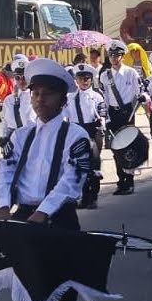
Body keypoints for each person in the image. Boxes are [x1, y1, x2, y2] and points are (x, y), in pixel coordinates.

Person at [0, 58, 97, 301]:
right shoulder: (21, 135)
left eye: (48, 93)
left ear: (63, 99)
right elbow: (5, 171)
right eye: (35, 93)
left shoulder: (76, 135)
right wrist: (2, 205)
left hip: (58, 217)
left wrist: (45, 212)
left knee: (60, 291)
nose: (40, 99)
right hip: (25, 216)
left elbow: (72, 180)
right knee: (28, 288)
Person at [100, 40, 145, 195]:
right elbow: (104, 98)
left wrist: (142, 99)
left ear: (123, 56)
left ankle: (130, 181)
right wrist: (106, 118)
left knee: (129, 148)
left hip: (128, 113)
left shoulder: (131, 73)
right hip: (113, 114)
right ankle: (121, 181)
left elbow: (140, 92)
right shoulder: (105, 76)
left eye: (117, 55)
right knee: (116, 149)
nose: (114, 58)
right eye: (111, 55)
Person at [65, 63, 107, 209]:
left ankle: (93, 196)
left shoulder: (97, 96)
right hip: (76, 132)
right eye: (81, 78)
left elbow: (103, 113)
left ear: (91, 79)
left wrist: (101, 122)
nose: (84, 81)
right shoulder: (69, 98)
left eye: (87, 78)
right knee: (79, 165)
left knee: (93, 165)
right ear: (76, 79)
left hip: (93, 131)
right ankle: (84, 196)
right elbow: (64, 115)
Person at [0, 57, 35, 153]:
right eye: (17, 77)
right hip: (15, 144)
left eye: (24, 77)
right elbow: (5, 123)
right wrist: (4, 138)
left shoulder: (37, 98)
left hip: (34, 143)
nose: (21, 81)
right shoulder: (9, 100)